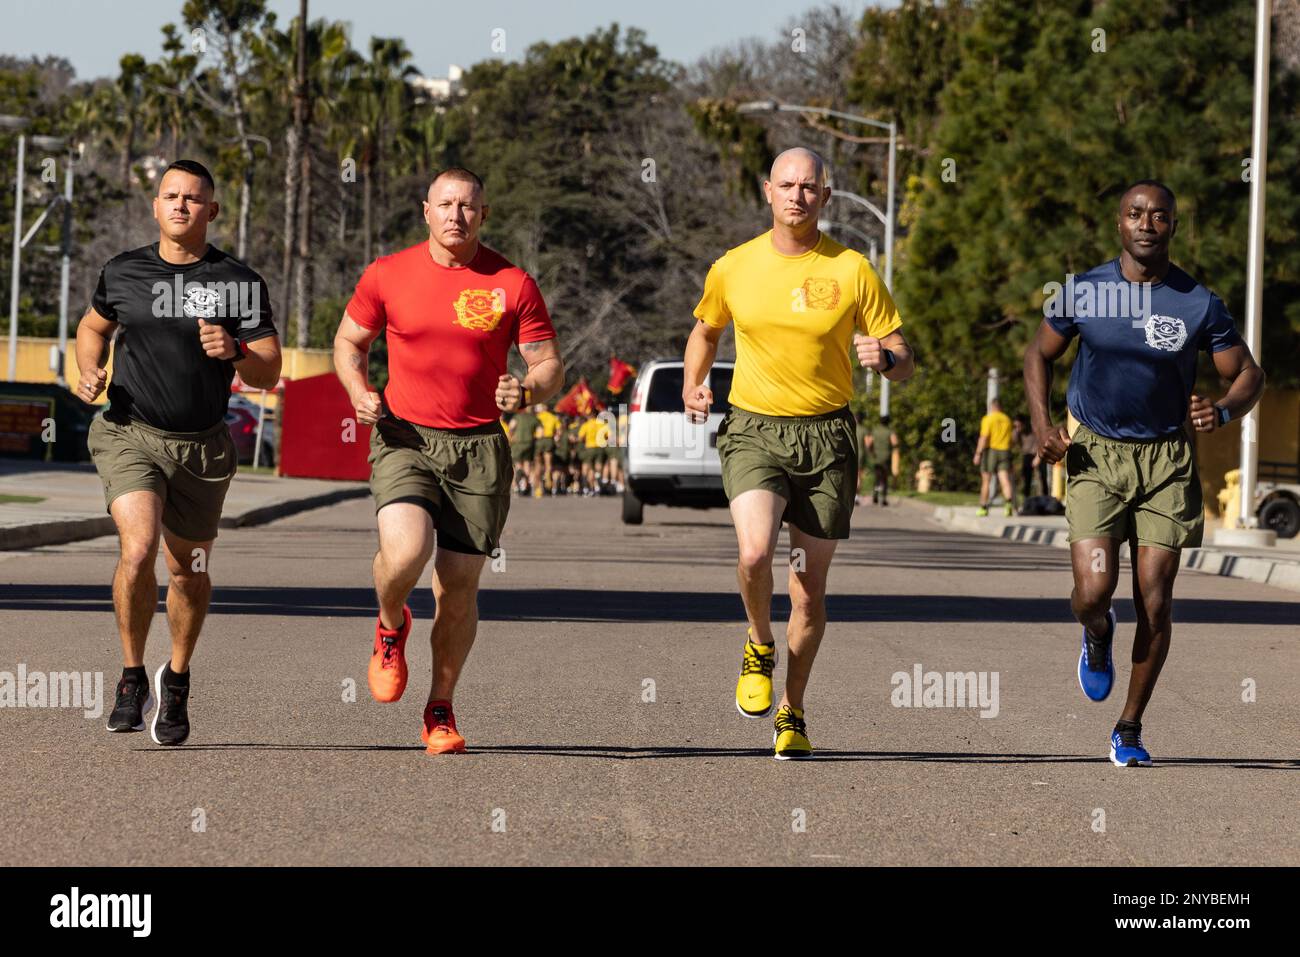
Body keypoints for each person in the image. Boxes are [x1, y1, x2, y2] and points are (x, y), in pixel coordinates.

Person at [1024, 179, 1264, 767]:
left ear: (1172, 226)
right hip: (1097, 459)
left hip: (1166, 464)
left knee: (1155, 604)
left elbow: (1249, 373)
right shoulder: (1084, 292)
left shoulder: (1197, 302)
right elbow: (1039, 354)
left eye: (1159, 215)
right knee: (1093, 591)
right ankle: (1097, 631)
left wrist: (1224, 408)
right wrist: (1041, 425)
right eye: (1135, 213)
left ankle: (1128, 728)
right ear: (1119, 223)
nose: (1146, 223)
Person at [684, 147, 914, 759]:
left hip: (827, 437)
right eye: (786, 185)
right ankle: (758, 641)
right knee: (755, 551)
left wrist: (885, 359)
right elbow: (706, 330)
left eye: (808, 187)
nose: (796, 196)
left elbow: (903, 355)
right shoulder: (733, 267)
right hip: (755, 428)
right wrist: (693, 381)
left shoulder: (853, 270)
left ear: (825, 197)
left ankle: (793, 709)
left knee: (808, 591)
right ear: (767, 191)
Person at [333, 167, 564, 754]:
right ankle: (390, 624)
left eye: (467, 206)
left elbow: (547, 364)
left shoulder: (512, 283)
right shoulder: (388, 274)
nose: (456, 215)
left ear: (483, 214)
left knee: (458, 586)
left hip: (479, 448)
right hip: (404, 436)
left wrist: (527, 390)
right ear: (426, 211)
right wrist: (358, 391)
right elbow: (349, 343)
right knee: (405, 551)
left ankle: (440, 707)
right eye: (445, 204)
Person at [77, 159, 281, 745]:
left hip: (202, 449)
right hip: (129, 431)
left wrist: (234, 352)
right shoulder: (123, 271)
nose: (181, 206)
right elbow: (92, 328)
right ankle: (132, 675)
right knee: (137, 549)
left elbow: (269, 370)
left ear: (212, 211)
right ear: (155, 205)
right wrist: (89, 370)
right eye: (170, 195)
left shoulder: (239, 283)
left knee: (188, 571)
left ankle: (179, 677)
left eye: (193, 198)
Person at [974, 397, 1015, 517]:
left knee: (986, 480)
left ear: (992, 407)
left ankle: (983, 507)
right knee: (1004, 479)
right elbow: (1011, 438)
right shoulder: (1007, 419)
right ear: (1001, 407)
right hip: (1005, 450)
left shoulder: (988, 419)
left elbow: (984, 437)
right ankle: (1008, 505)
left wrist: (978, 453)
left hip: (991, 451)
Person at [864, 414, 898, 506]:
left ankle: (875, 495)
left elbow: (868, 444)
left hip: (876, 458)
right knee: (885, 478)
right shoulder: (889, 431)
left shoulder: (875, 431)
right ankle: (883, 499)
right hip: (886, 457)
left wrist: (872, 452)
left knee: (877, 477)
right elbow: (895, 443)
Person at [1013, 414, 1045, 502]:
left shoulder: (1033, 428)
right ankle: (1026, 500)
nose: (1018, 427)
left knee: (1042, 478)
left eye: (1019, 425)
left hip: (1038, 454)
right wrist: (1016, 431)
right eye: (1016, 426)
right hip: (1026, 455)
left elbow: (1041, 440)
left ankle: (1044, 499)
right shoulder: (1018, 432)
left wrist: (1038, 456)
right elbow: (1014, 442)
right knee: (1026, 479)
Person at [507, 405, 538, 495]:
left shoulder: (517, 417)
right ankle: (525, 484)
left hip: (518, 444)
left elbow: (511, 427)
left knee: (517, 465)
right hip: (529, 444)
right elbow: (540, 431)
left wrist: (512, 436)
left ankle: (517, 484)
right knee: (527, 465)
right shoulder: (533, 418)